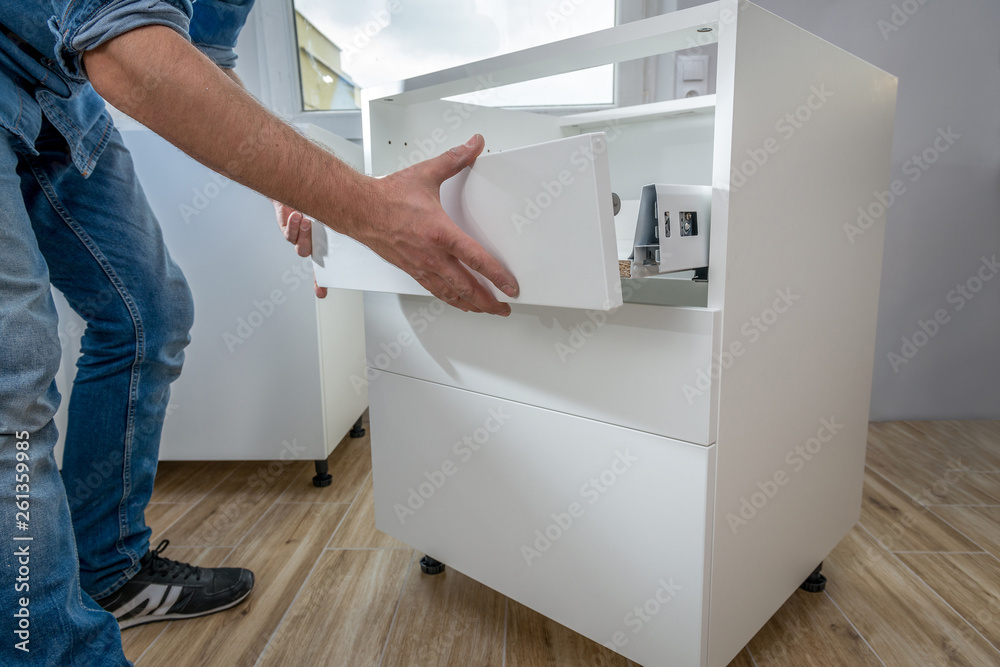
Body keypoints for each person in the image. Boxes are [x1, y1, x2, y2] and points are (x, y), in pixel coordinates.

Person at [0, 0, 519, 664]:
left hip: (62, 104)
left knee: (149, 317)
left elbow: (204, 62)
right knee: (14, 378)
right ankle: (52, 648)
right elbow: (125, 54)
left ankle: (109, 568)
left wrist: (295, 187)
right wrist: (367, 211)